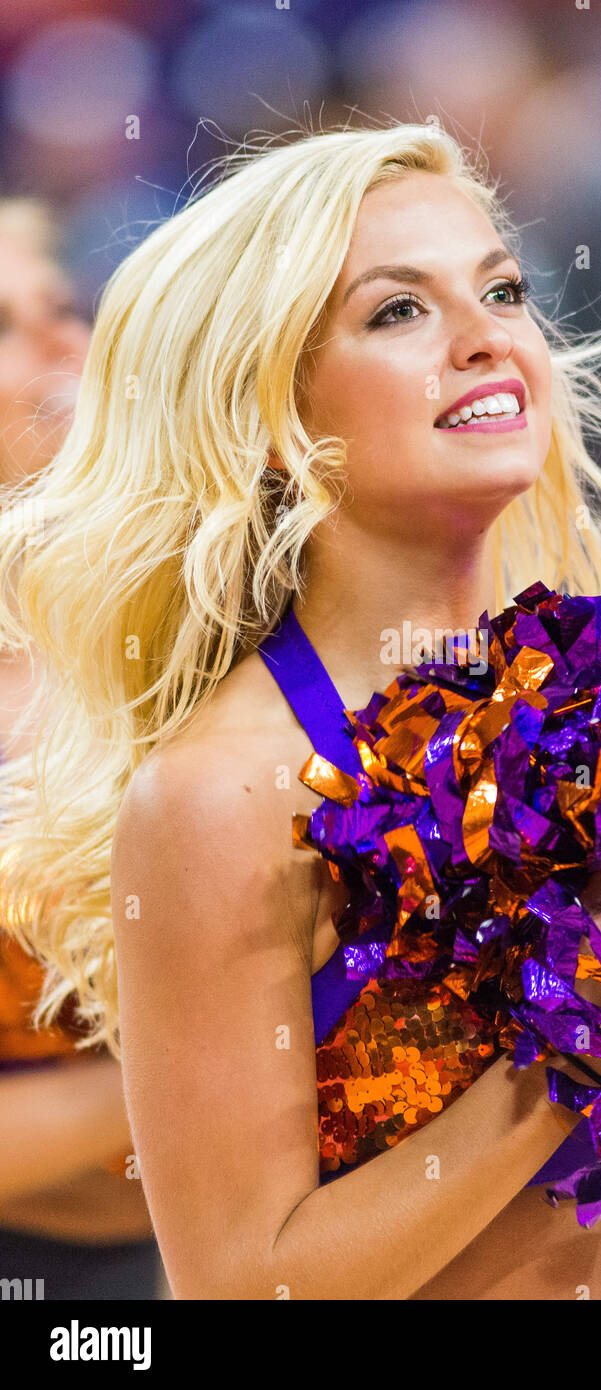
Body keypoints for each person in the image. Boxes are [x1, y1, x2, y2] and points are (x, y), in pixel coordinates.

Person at [0, 124, 601, 1300]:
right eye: (399, 312)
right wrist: (575, 1031)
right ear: (271, 413)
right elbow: (250, 1286)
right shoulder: (227, 792)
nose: (488, 338)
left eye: (502, 289)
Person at [0, 199, 162, 1299]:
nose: (65, 344)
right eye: (4, 325)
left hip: (199, 1246)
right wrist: (218, 1051)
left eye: (59, 305)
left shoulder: (182, 600)